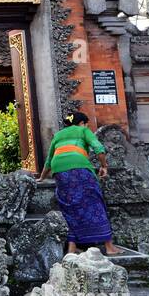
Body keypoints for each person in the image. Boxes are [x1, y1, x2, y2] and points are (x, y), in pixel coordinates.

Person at [39, 109, 120, 255]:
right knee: (95, 202)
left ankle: (71, 247)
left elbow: (49, 160)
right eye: (86, 125)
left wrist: (41, 178)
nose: (87, 127)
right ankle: (109, 246)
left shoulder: (58, 135)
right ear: (82, 123)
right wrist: (104, 166)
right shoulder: (83, 131)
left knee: (70, 206)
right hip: (79, 168)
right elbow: (98, 148)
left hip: (59, 171)